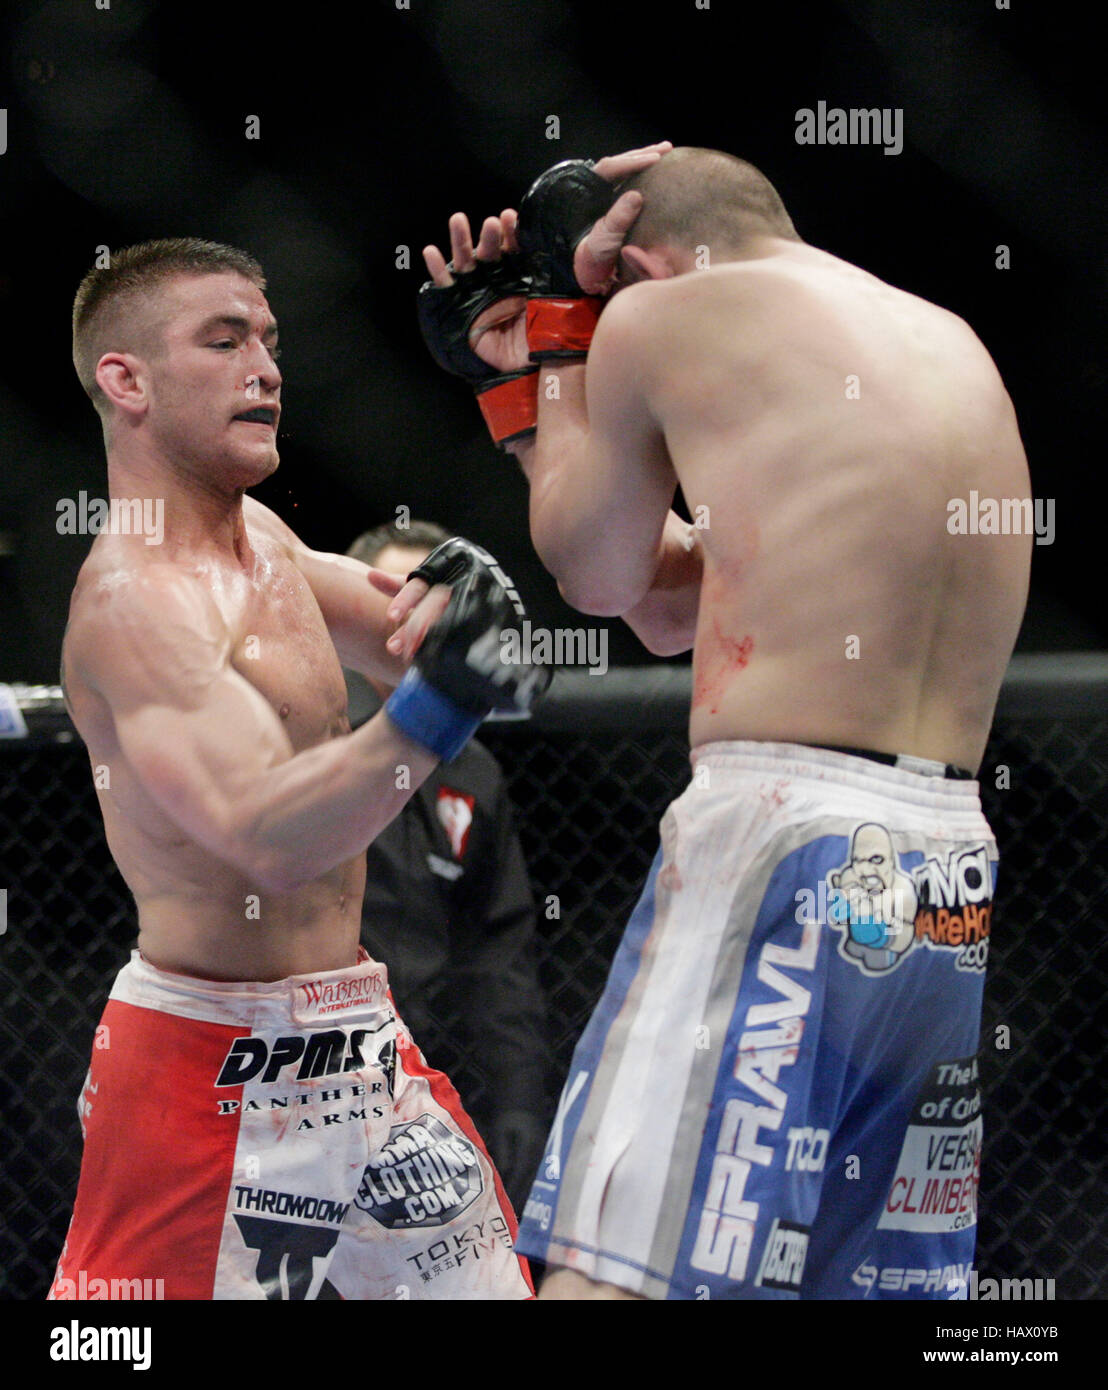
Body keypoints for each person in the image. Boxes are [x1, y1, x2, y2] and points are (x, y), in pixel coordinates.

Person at [411, 144, 1032, 1300]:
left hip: (780, 838)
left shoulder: (665, 313)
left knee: (617, 1272)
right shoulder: (941, 336)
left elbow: (592, 577)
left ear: (634, 258)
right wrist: (528, 383)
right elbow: (667, 607)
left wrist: (551, 350)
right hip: (941, 873)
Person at [48, 237, 545, 1301]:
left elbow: (479, 659)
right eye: (222, 342)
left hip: (356, 1034)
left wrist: (521, 396)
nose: (265, 368)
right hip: (208, 1060)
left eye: (269, 341)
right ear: (124, 379)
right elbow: (267, 838)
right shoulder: (135, 603)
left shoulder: (267, 542)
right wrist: (437, 703)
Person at [343, 519, 552, 1214]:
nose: (419, 626)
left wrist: (521, 1094)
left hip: (426, 1078)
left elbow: (501, 950)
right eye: (401, 606)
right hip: (299, 1064)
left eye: (441, 610)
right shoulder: (297, 727)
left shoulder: (472, 769)